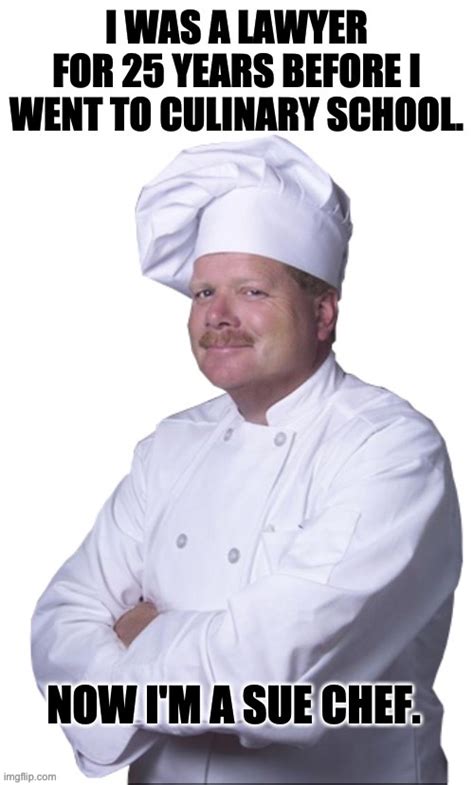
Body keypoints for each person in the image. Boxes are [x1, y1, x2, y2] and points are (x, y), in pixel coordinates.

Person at [31, 136, 462, 784]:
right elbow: (59, 623)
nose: (219, 316)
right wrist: (206, 653)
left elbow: (276, 674)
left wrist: (138, 634)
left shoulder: (392, 450)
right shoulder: (170, 447)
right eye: (204, 292)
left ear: (323, 313)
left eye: (253, 291)